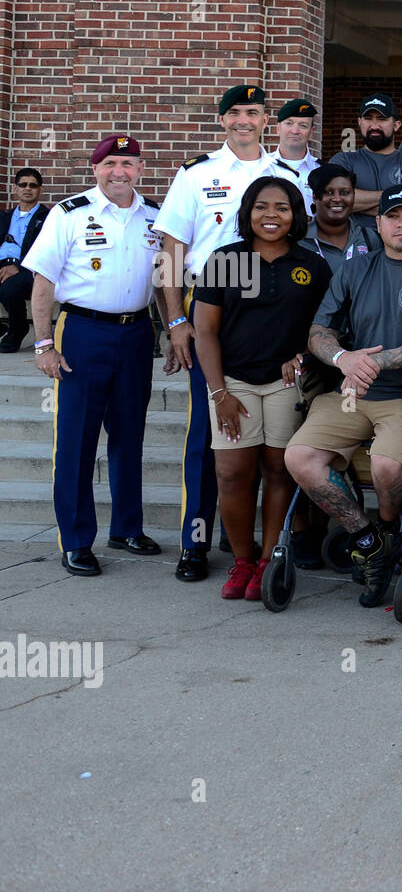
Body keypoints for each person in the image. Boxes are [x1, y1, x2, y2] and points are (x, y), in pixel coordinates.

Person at [285, 185, 402, 608]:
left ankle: (388, 529)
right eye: (393, 216)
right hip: (349, 393)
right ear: (379, 224)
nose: (401, 223)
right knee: (298, 458)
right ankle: (367, 539)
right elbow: (318, 332)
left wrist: (377, 362)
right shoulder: (354, 270)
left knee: (387, 464)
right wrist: (343, 358)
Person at [155, 83, 279, 583]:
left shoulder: (285, 173)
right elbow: (171, 248)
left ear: (265, 120)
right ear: (223, 119)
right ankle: (196, 539)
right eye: (235, 112)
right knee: (208, 432)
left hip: (270, 312)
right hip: (211, 307)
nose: (244, 120)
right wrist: (176, 321)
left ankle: (247, 540)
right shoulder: (196, 174)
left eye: (253, 112)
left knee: (267, 432)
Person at [23, 135, 162, 576]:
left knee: (129, 435)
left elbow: (164, 283)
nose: (119, 171)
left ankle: (126, 527)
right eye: (110, 163)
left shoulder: (156, 218)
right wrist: (44, 343)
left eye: (128, 163)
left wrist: (172, 332)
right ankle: (77, 539)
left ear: (141, 168)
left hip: (138, 333)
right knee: (77, 440)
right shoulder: (68, 214)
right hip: (83, 332)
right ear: (95, 168)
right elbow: (42, 283)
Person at [192, 177, 331, 601]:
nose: (271, 215)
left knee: (277, 470)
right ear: (247, 213)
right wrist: (219, 393)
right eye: (261, 207)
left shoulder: (313, 266)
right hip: (233, 384)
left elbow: (324, 329)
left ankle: (271, 559)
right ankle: (242, 560)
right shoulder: (224, 260)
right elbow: (205, 331)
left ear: (296, 216)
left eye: (282, 208)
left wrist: (303, 358)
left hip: (287, 383)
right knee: (232, 473)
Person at [327, 93, 402, 218]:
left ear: (396, 125)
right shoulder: (343, 160)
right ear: (359, 122)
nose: (374, 125)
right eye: (368, 118)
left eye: (382, 119)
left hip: (396, 236)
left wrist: (353, 204)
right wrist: (396, 195)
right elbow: (334, 201)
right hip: (352, 237)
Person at [0, 168, 49, 351]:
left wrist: (17, 267)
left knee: (9, 289)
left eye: (33, 185)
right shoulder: (4, 216)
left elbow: (44, 249)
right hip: (2, 263)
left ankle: (17, 328)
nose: (27, 188)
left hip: (30, 269)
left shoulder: (47, 218)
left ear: (40, 190)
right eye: (23, 184)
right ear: (15, 188)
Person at [303, 164, 372, 271]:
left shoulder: (370, 238)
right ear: (315, 197)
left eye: (344, 193)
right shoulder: (300, 239)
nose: (337, 199)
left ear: (353, 196)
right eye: (329, 192)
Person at [270, 98, 319, 212]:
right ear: (278, 128)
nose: (295, 130)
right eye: (289, 123)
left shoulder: (320, 170)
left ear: (311, 132)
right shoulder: (262, 166)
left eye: (303, 125)